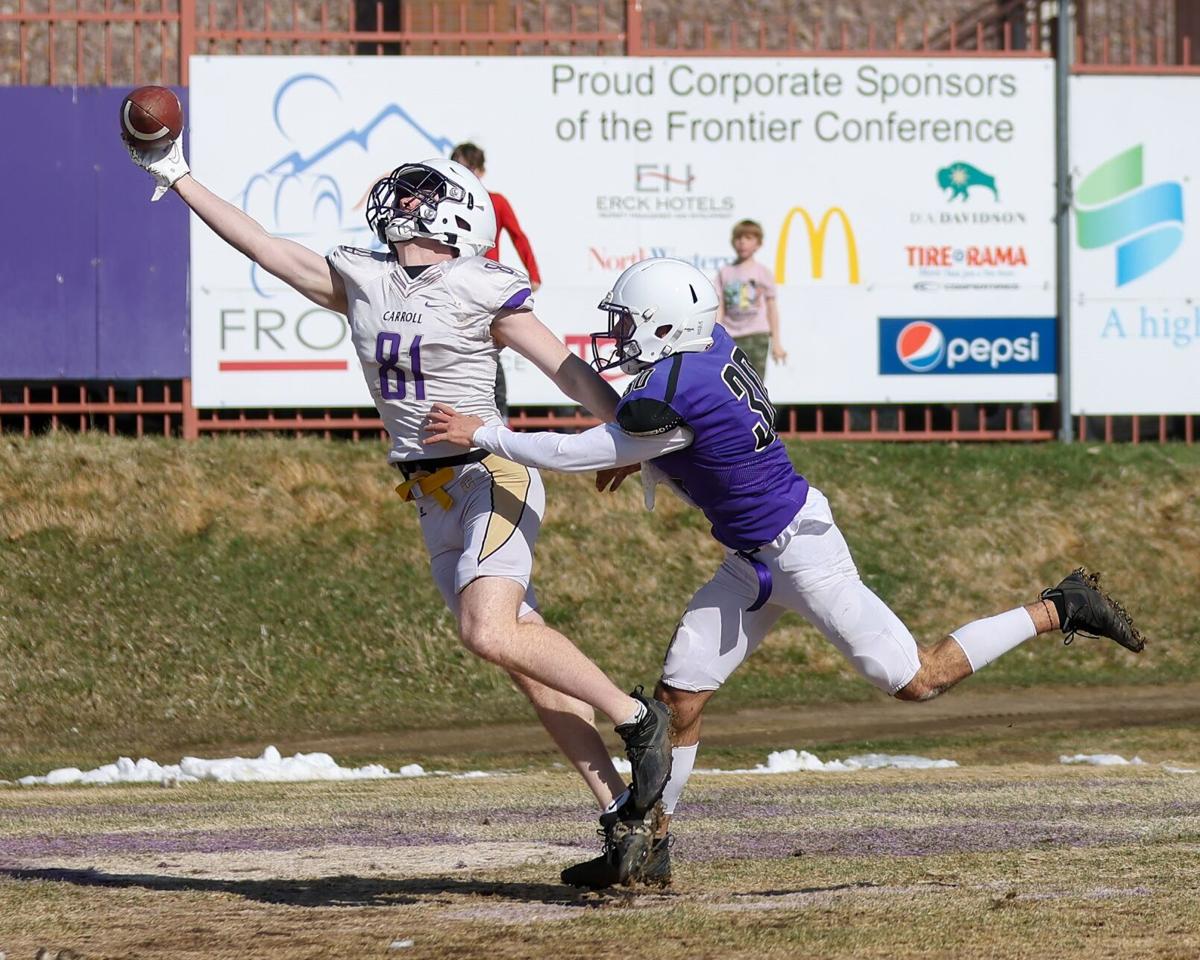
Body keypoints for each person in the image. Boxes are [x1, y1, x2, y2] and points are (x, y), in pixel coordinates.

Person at [423, 256, 1145, 888]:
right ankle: (653, 846)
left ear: (668, 324)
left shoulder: (674, 385)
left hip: (804, 554)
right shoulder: (707, 350)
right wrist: (641, 456)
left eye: (630, 324)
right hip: (752, 557)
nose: (618, 338)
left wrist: (485, 433)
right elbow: (687, 440)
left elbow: (582, 452)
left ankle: (1060, 606)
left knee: (918, 680)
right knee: (680, 695)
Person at [123, 136, 673, 877]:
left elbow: (567, 369)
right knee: (524, 660)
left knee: (488, 630)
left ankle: (639, 719)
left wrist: (621, 442)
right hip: (428, 494)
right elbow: (259, 243)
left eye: (419, 196)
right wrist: (180, 175)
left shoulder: (481, 286)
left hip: (491, 475)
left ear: (452, 218)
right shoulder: (365, 277)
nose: (401, 203)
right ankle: (627, 821)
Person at [450, 142, 543, 422]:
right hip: (450, 282)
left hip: (484, 285)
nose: (460, 172)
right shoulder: (443, 201)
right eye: (455, 165)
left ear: (480, 171)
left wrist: (533, 273)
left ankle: (498, 418)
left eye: (466, 166)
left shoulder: (495, 202)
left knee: (489, 347)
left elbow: (518, 235)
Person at [714, 219, 786, 381]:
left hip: (756, 335)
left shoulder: (762, 272)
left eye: (748, 238)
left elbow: (771, 308)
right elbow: (720, 307)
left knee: (755, 380)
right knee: (730, 380)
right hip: (731, 336)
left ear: (758, 244)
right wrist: (717, 334)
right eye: (739, 238)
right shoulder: (725, 272)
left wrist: (776, 342)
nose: (742, 243)